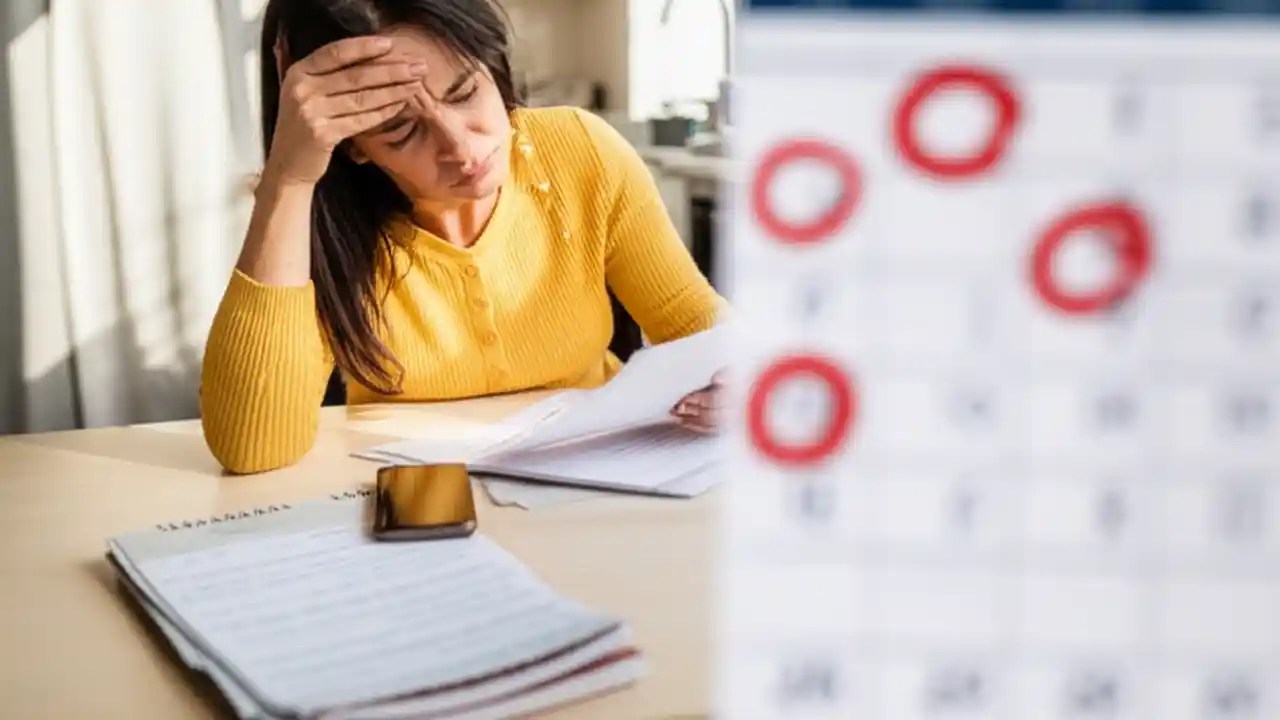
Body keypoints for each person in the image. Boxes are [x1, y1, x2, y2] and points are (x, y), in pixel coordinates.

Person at [200, 0, 728, 474]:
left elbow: (691, 318)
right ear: (354, 146)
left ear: (491, 64)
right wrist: (289, 178)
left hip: (597, 483)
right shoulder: (312, 221)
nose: (462, 149)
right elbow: (253, 450)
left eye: (465, 91)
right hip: (414, 504)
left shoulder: (579, 151)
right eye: (401, 132)